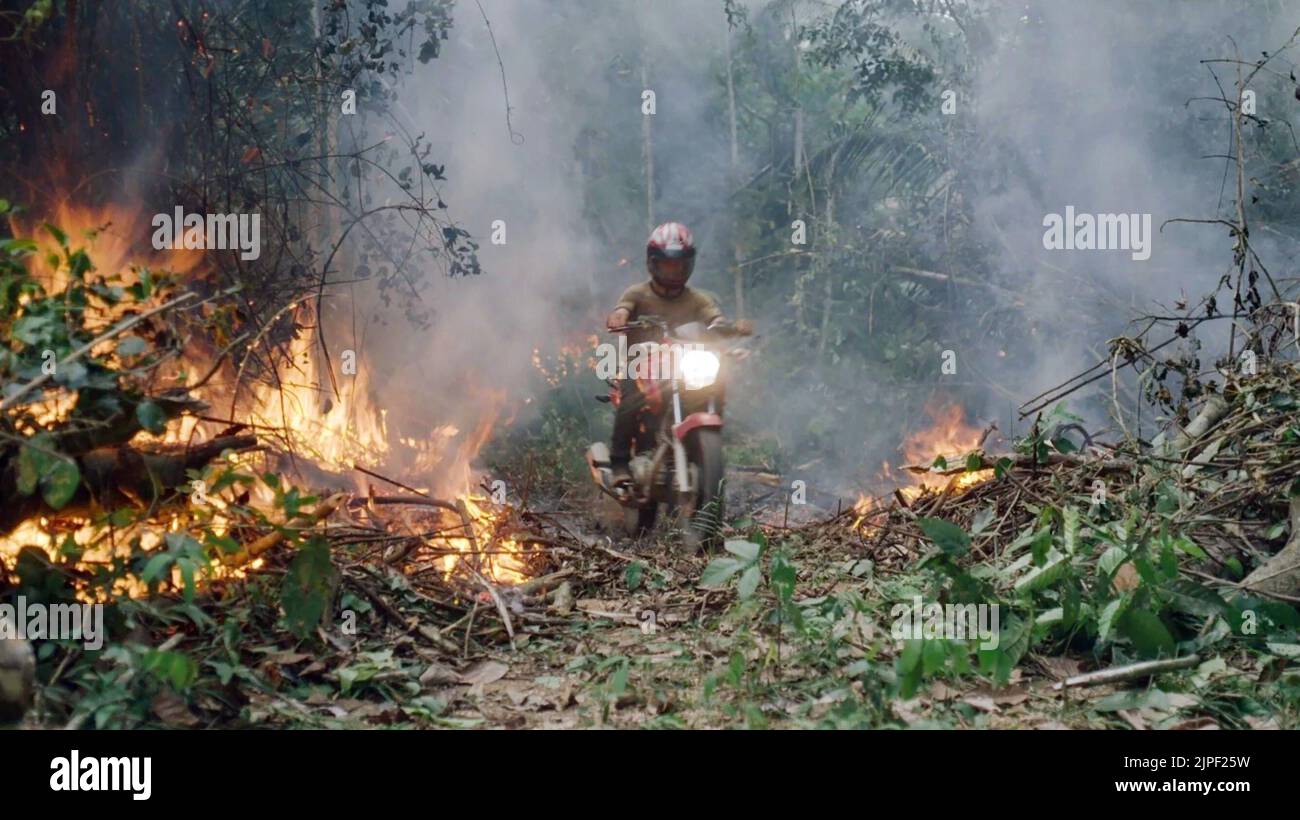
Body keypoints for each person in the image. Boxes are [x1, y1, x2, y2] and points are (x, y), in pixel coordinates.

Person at [604, 221, 743, 486]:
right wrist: (619, 315)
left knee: (716, 380)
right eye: (667, 264)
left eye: (679, 264)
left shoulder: (697, 298)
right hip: (644, 363)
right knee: (630, 395)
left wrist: (725, 326)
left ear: (688, 264)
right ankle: (620, 462)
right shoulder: (638, 293)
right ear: (653, 263)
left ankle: (702, 446)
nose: (673, 270)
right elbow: (624, 307)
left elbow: (713, 316)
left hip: (681, 362)